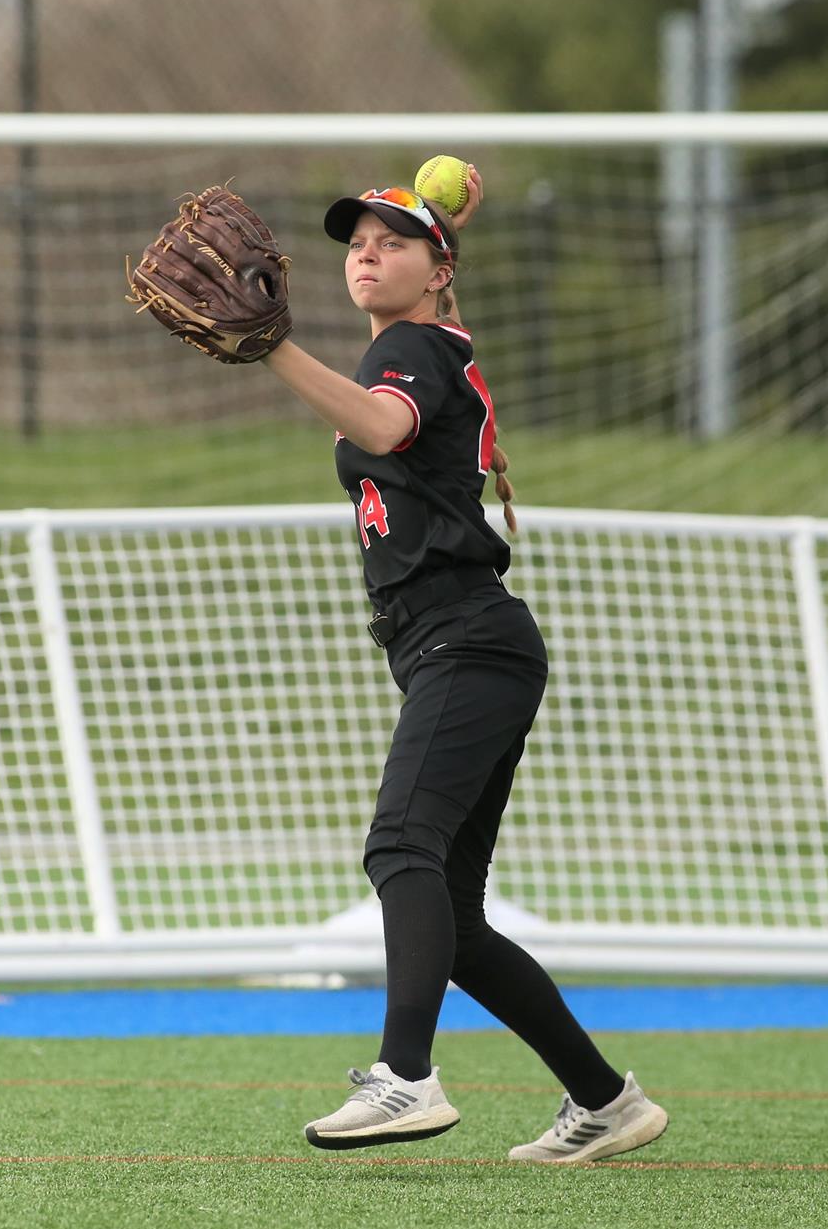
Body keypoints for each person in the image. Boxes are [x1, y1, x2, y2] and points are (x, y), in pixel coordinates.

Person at [258, 169, 669, 1163]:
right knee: (457, 916)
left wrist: (271, 347)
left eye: (394, 240)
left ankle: (405, 1076)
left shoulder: (409, 348)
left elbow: (384, 426)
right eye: (357, 240)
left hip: (465, 639)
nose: (366, 251)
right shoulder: (408, 352)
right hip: (463, 645)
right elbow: (384, 424)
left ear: (440, 270)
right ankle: (604, 1100)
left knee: (399, 845)